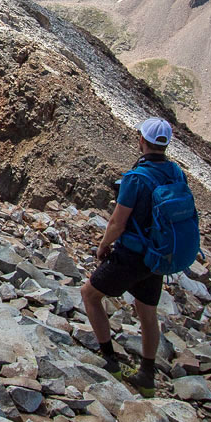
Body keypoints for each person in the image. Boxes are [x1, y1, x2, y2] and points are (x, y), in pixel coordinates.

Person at [81, 116, 185, 390]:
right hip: (158, 255)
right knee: (146, 311)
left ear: (142, 140)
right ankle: (147, 376)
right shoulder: (176, 173)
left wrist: (103, 245)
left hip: (132, 255)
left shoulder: (136, 178)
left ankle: (110, 361)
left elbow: (117, 222)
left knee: (90, 295)